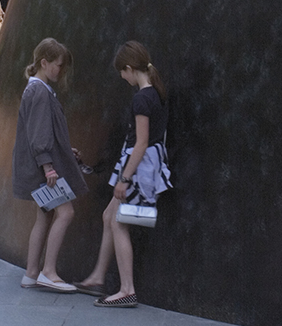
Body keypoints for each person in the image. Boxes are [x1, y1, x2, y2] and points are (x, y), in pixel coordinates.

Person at [76, 40, 172, 308]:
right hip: (146, 163)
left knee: (118, 222)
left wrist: (124, 179)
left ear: (130, 68)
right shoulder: (158, 93)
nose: (121, 77)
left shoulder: (141, 98)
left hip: (137, 167)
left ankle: (127, 289)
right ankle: (97, 277)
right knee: (110, 215)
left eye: (122, 71)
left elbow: (140, 142)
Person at [12, 37, 87, 291]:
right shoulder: (41, 92)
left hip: (38, 168)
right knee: (65, 213)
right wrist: (48, 166)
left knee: (43, 216)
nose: (60, 70)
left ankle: (31, 273)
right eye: (57, 64)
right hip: (44, 171)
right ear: (44, 63)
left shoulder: (34, 89)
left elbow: (39, 132)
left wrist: (64, 150)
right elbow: (39, 134)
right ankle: (48, 272)